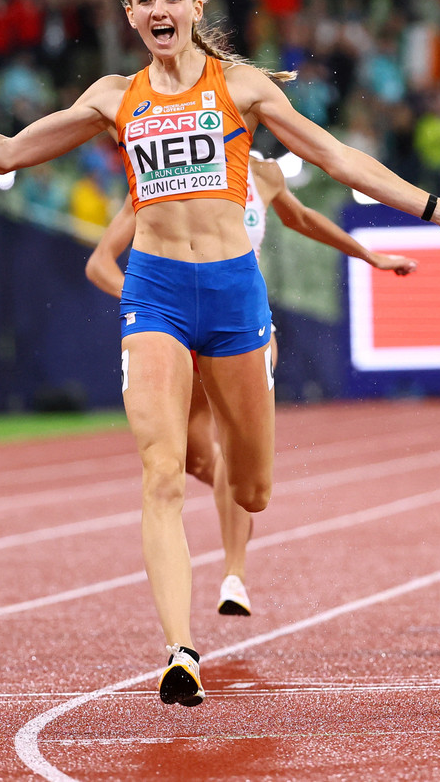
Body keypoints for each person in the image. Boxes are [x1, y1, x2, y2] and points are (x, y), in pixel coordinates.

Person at [0, 0, 440, 708]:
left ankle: (234, 533)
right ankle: (180, 649)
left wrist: (435, 208)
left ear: (197, 9)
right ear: (129, 16)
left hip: (234, 297)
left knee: (252, 490)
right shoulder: (112, 97)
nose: (159, 10)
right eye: (145, 0)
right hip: (155, 295)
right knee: (160, 474)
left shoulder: (241, 87)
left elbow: (336, 158)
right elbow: (6, 153)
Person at [85, 152, 417, 617]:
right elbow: (99, 263)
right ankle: (236, 506)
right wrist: (152, 304)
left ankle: (234, 574)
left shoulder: (264, 173)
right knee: (197, 460)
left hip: (242, 327)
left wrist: (369, 255)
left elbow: (302, 218)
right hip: (174, 328)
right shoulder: (166, 170)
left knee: (234, 449)